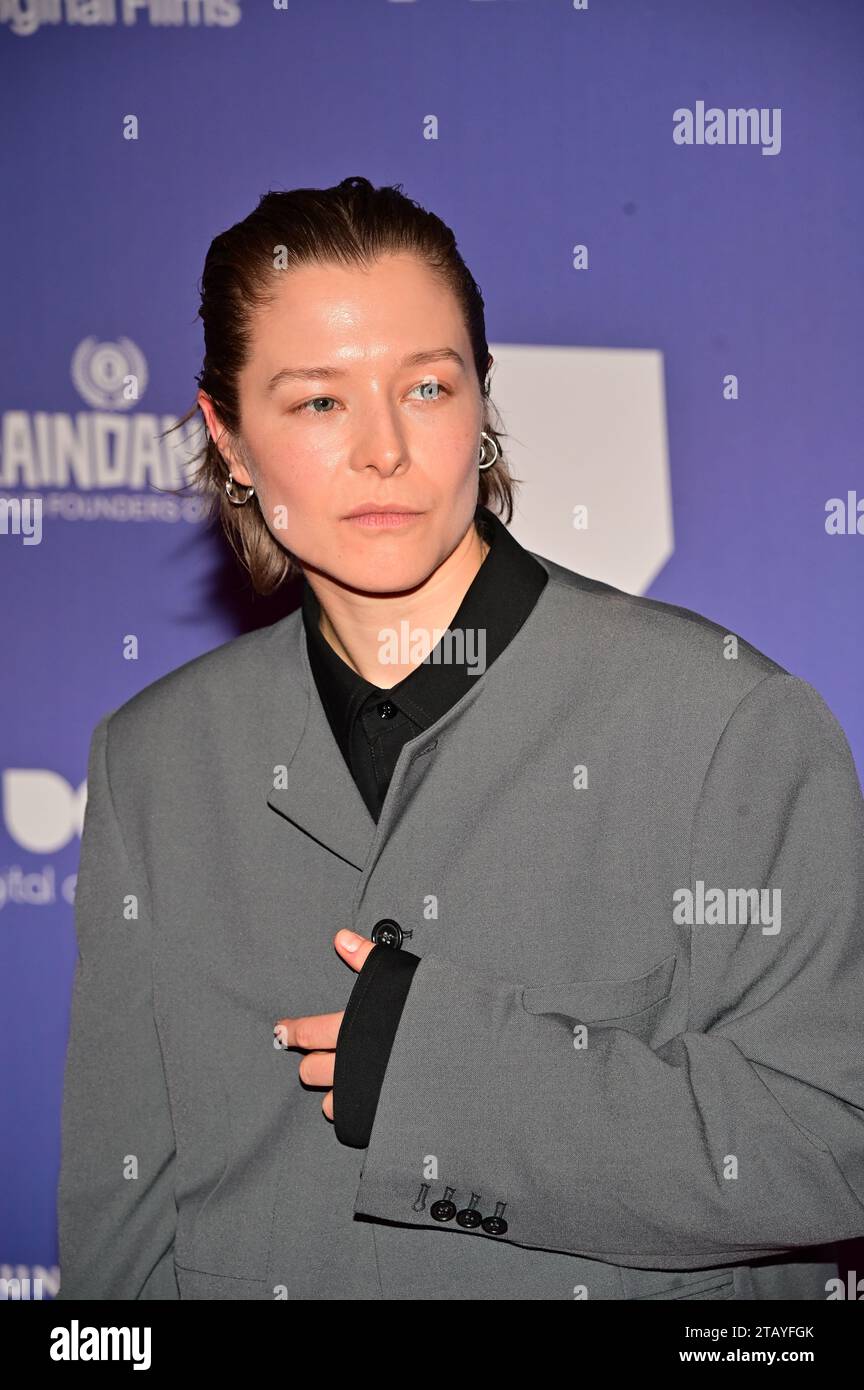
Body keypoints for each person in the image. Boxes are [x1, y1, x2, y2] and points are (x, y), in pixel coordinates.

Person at [56, 176, 864, 1300]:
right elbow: (122, 1234)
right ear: (227, 438)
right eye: (318, 402)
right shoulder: (150, 759)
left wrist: (446, 1078)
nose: (384, 449)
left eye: (425, 386)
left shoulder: (728, 721)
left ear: (481, 403)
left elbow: (835, 1142)